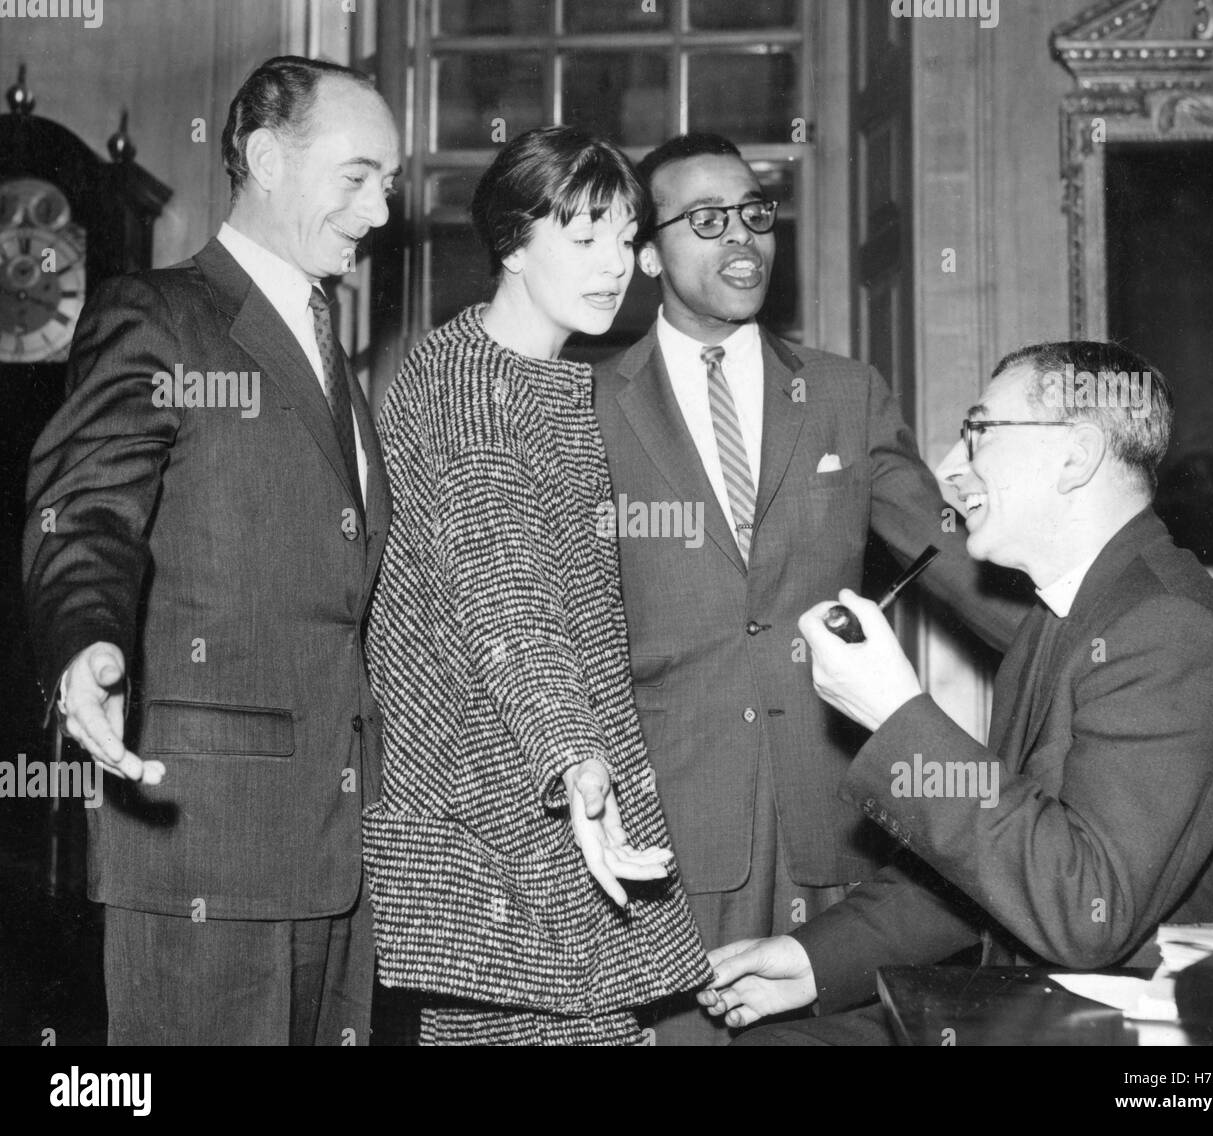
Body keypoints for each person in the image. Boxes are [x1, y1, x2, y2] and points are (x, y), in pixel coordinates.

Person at [697, 341, 1213, 1045]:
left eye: (979, 434)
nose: (953, 471)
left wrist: (896, 713)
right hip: (1064, 1005)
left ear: (1075, 455)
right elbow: (991, 863)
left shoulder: (1169, 630)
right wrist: (812, 959)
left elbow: (1084, 910)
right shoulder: (1061, 621)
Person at [592, 132, 1028, 1044]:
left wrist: (1087, 636)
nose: (742, 237)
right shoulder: (585, 404)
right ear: (645, 251)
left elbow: (955, 559)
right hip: (664, 836)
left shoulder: (841, 393)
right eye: (705, 221)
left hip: (832, 828)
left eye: (755, 213)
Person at [22, 57, 400, 1044]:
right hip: (206, 835)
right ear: (268, 158)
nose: (380, 211)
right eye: (357, 177)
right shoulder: (159, 315)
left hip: (338, 841)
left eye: (390, 183)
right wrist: (85, 640)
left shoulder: (328, 349)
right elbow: (86, 507)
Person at [363, 126, 711, 1046]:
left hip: (526, 785)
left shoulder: (527, 371)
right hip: (502, 795)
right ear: (513, 245)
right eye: (583, 236)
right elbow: (503, 583)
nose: (617, 268)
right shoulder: (475, 383)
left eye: (626, 237)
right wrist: (574, 755)